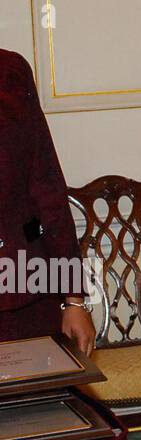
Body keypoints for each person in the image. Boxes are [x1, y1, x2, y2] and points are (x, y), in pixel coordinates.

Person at [0, 49, 95, 354]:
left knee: (43, 399)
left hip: (26, 291)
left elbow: (47, 188)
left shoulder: (9, 71)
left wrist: (74, 299)